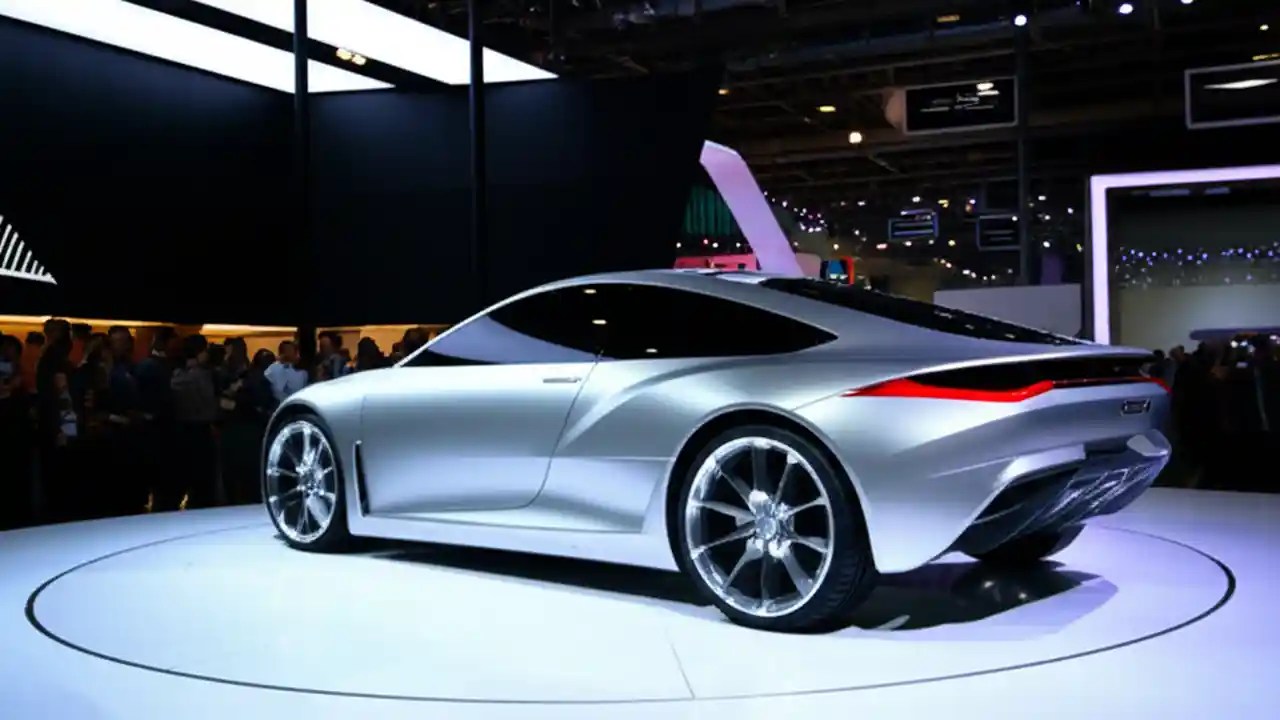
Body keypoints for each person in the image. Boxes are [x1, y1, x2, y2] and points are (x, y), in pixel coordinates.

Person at [170, 334, 218, 509]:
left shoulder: (176, 374)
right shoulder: (202, 376)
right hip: (200, 431)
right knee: (202, 483)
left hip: (180, 430)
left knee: (182, 478)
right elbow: (209, 402)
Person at [264, 340, 308, 406]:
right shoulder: (272, 369)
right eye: (295, 352)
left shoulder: (302, 374)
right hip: (277, 406)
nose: (298, 356)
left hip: (296, 405)